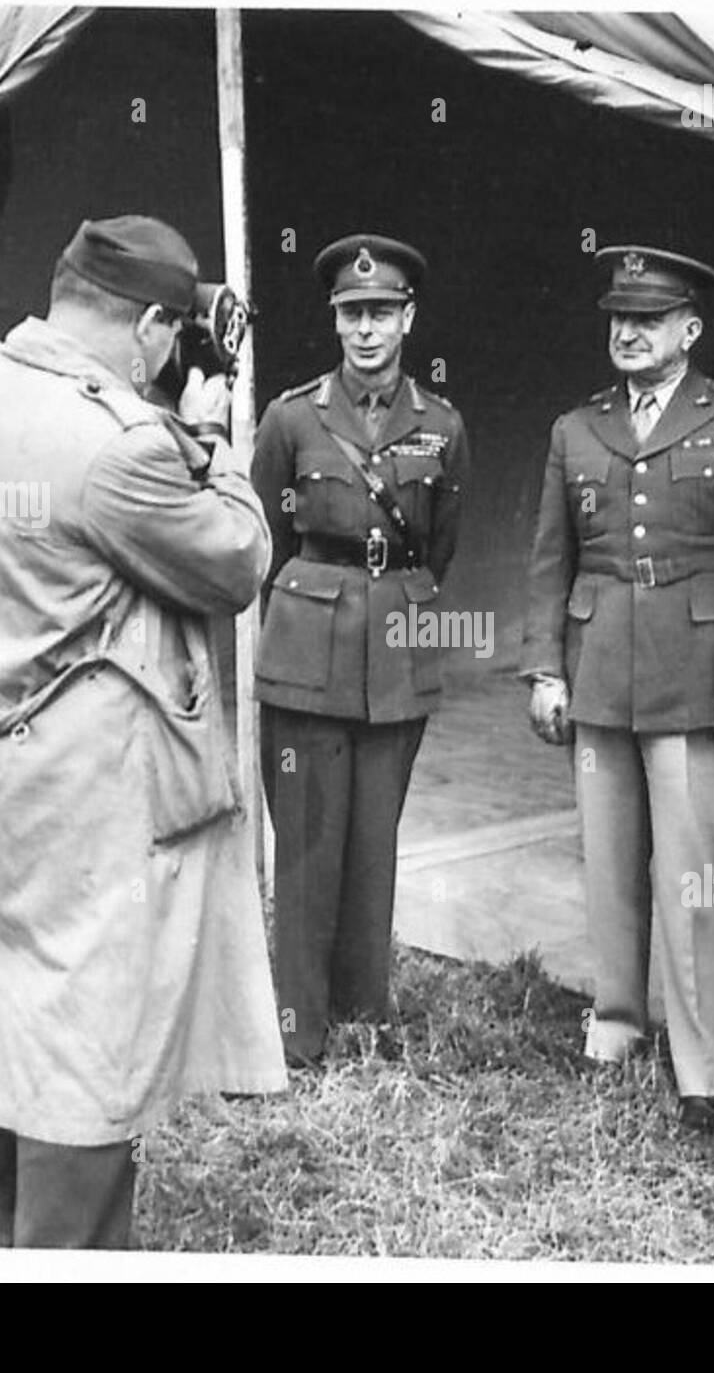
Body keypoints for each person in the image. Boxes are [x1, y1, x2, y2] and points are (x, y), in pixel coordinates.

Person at [0, 215, 287, 1248]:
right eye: (173, 338)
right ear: (154, 327)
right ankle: (65, 1249)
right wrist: (205, 437)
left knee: (17, 1010)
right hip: (91, 787)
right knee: (87, 1042)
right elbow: (238, 561)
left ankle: (6, 1216)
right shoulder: (122, 448)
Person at [520, 246, 714, 1132]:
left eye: (647, 319)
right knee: (608, 867)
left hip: (693, 675)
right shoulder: (577, 427)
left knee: (695, 875)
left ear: (690, 328)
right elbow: (549, 560)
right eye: (617, 319)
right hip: (599, 669)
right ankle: (614, 1026)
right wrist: (547, 668)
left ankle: (705, 1065)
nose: (627, 334)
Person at [251, 233, 469, 1067]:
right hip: (308, 648)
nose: (366, 330)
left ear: (408, 317)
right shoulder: (292, 418)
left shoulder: (441, 425)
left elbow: (439, 545)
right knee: (306, 840)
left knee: (374, 838)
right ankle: (297, 1026)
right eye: (352, 314)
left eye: (381, 313)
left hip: (397, 648)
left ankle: (363, 1010)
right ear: (334, 320)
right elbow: (264, 538)